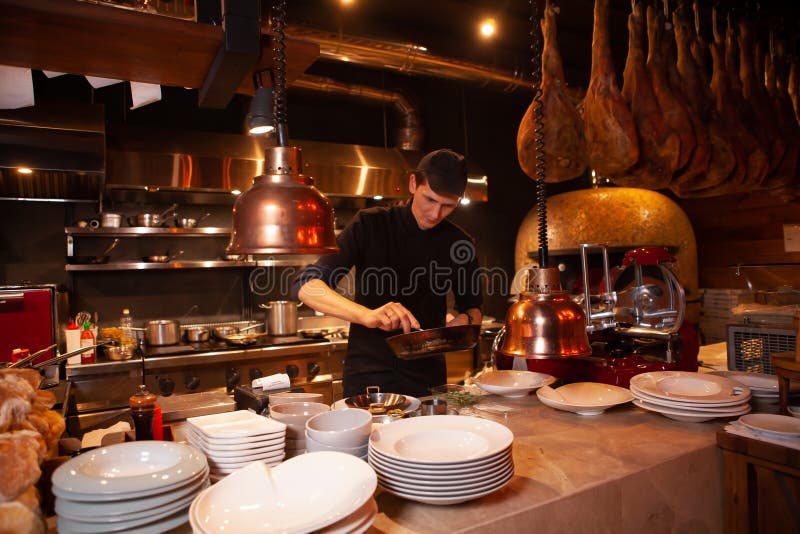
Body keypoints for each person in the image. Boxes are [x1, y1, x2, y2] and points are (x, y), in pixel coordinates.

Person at [291, 148, 482, 398]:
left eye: (448, 206)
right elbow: (305, 285)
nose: (435, 214)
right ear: (414, 184)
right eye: (430, 200)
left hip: (428, 379)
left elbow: (473, 309)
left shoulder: (460, 242)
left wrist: (463, 323)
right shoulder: (370, 224)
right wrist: (368, 315)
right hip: (368, 376)